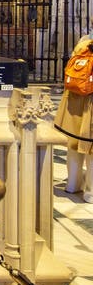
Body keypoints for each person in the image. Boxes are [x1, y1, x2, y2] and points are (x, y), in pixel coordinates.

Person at [54, 36, 93, 203]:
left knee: (74, 145)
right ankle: (91, 192)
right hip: (90, 104)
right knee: (91, 148)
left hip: (73, 102)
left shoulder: (82, 44)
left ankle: (72, 184)